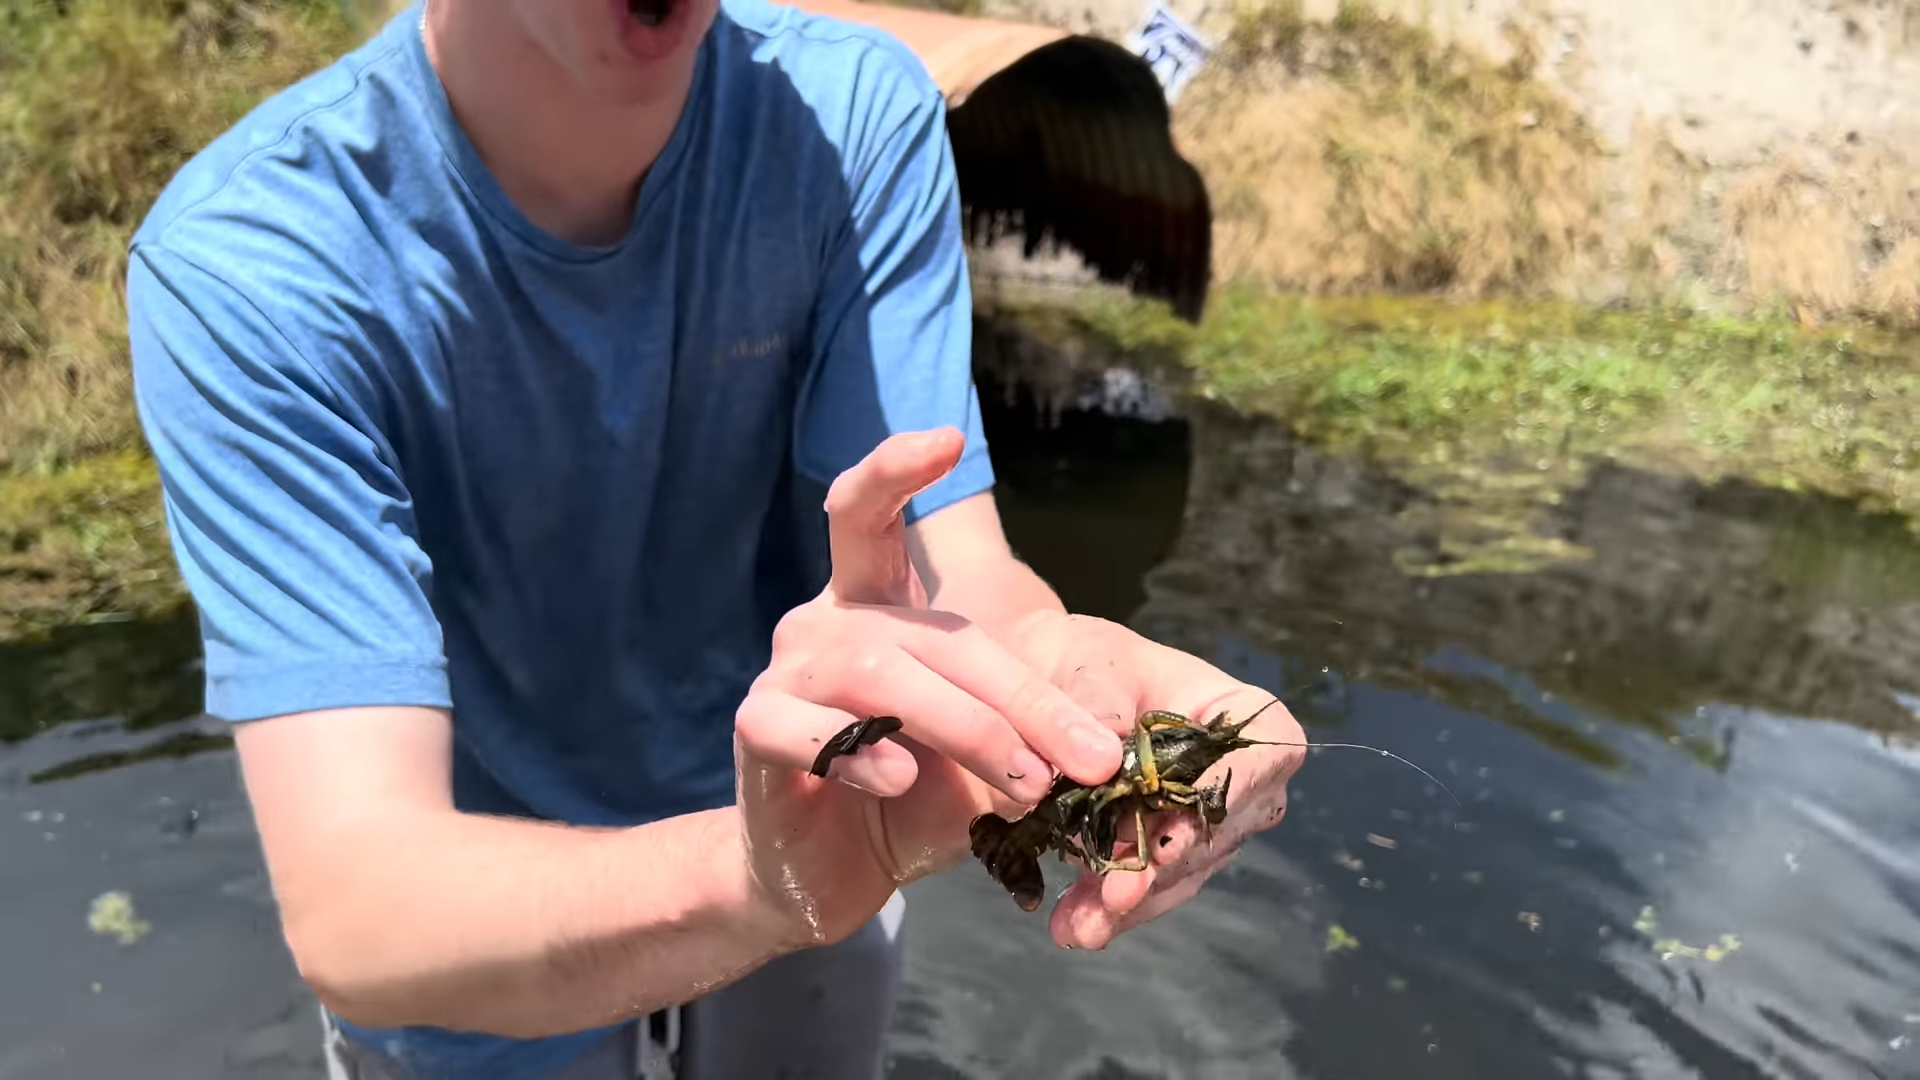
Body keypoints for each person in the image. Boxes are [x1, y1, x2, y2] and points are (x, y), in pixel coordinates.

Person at [124, 0, 1309, 1076]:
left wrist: (1064, 679)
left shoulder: (854, 120)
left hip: (832, 812)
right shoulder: (254, 270)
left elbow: (970, 572)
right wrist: (750, 878)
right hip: (488, 920)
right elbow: (363, 908)